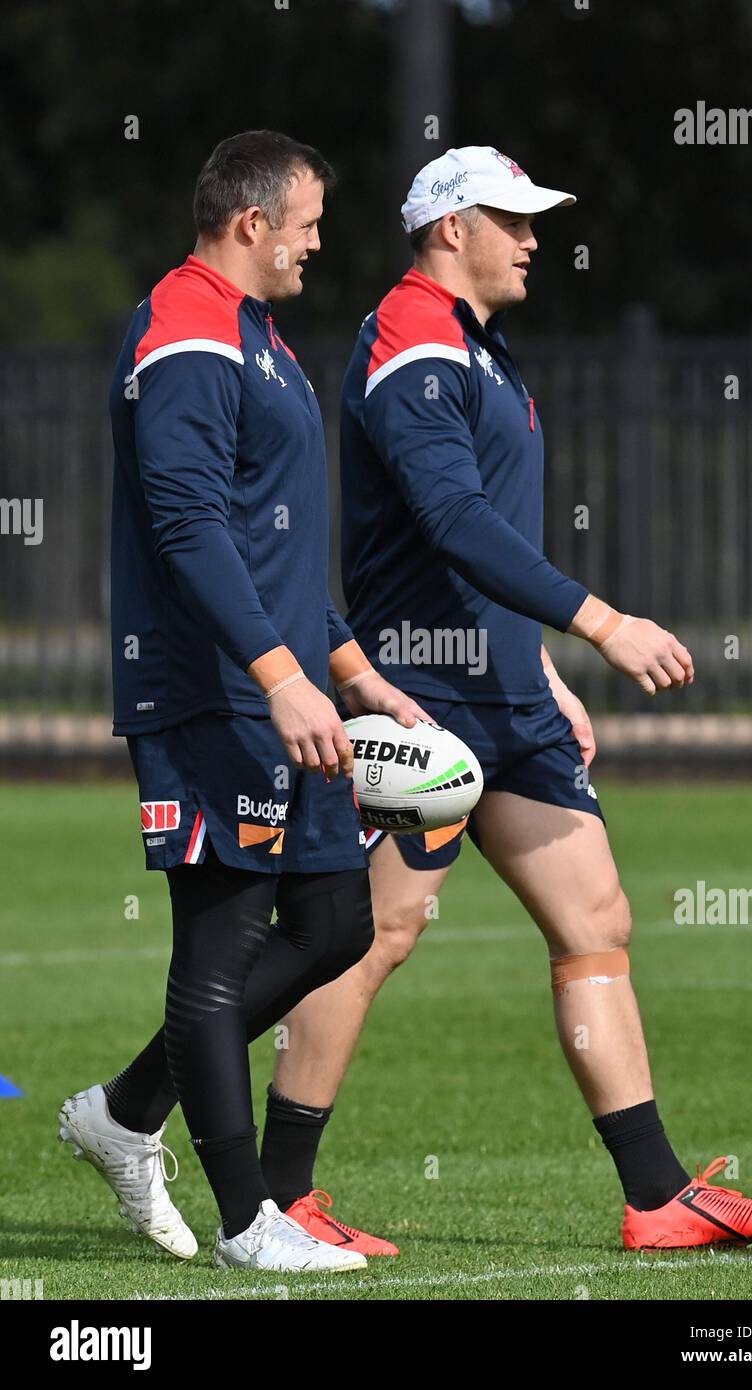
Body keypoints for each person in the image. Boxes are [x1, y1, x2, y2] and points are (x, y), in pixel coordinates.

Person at [263, 146, 752, 1255]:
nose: (531, 239)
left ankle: (655, 1197)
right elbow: (454, 521)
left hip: (503, 695)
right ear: (448, 228)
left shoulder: (474, 345)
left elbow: (478, 545)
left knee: (592, 918)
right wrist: (601, 625)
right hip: (423, 701)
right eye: (510, 219)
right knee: (372, 934)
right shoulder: (412, 339)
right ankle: (272, 1193)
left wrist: (542, 670)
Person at [58, 130, 426, 1273]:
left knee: (335, 925)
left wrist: (352, 672)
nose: (319, 243)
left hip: (285, 688)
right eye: (306, 223)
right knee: (217, 952)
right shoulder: (187, 326)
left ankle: (124, 1110)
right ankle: (243, 1224)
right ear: (249, 223)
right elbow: (186, 526)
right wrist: (275, 676)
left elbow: (271, 541)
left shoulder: (257, 334)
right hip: (212, 693)